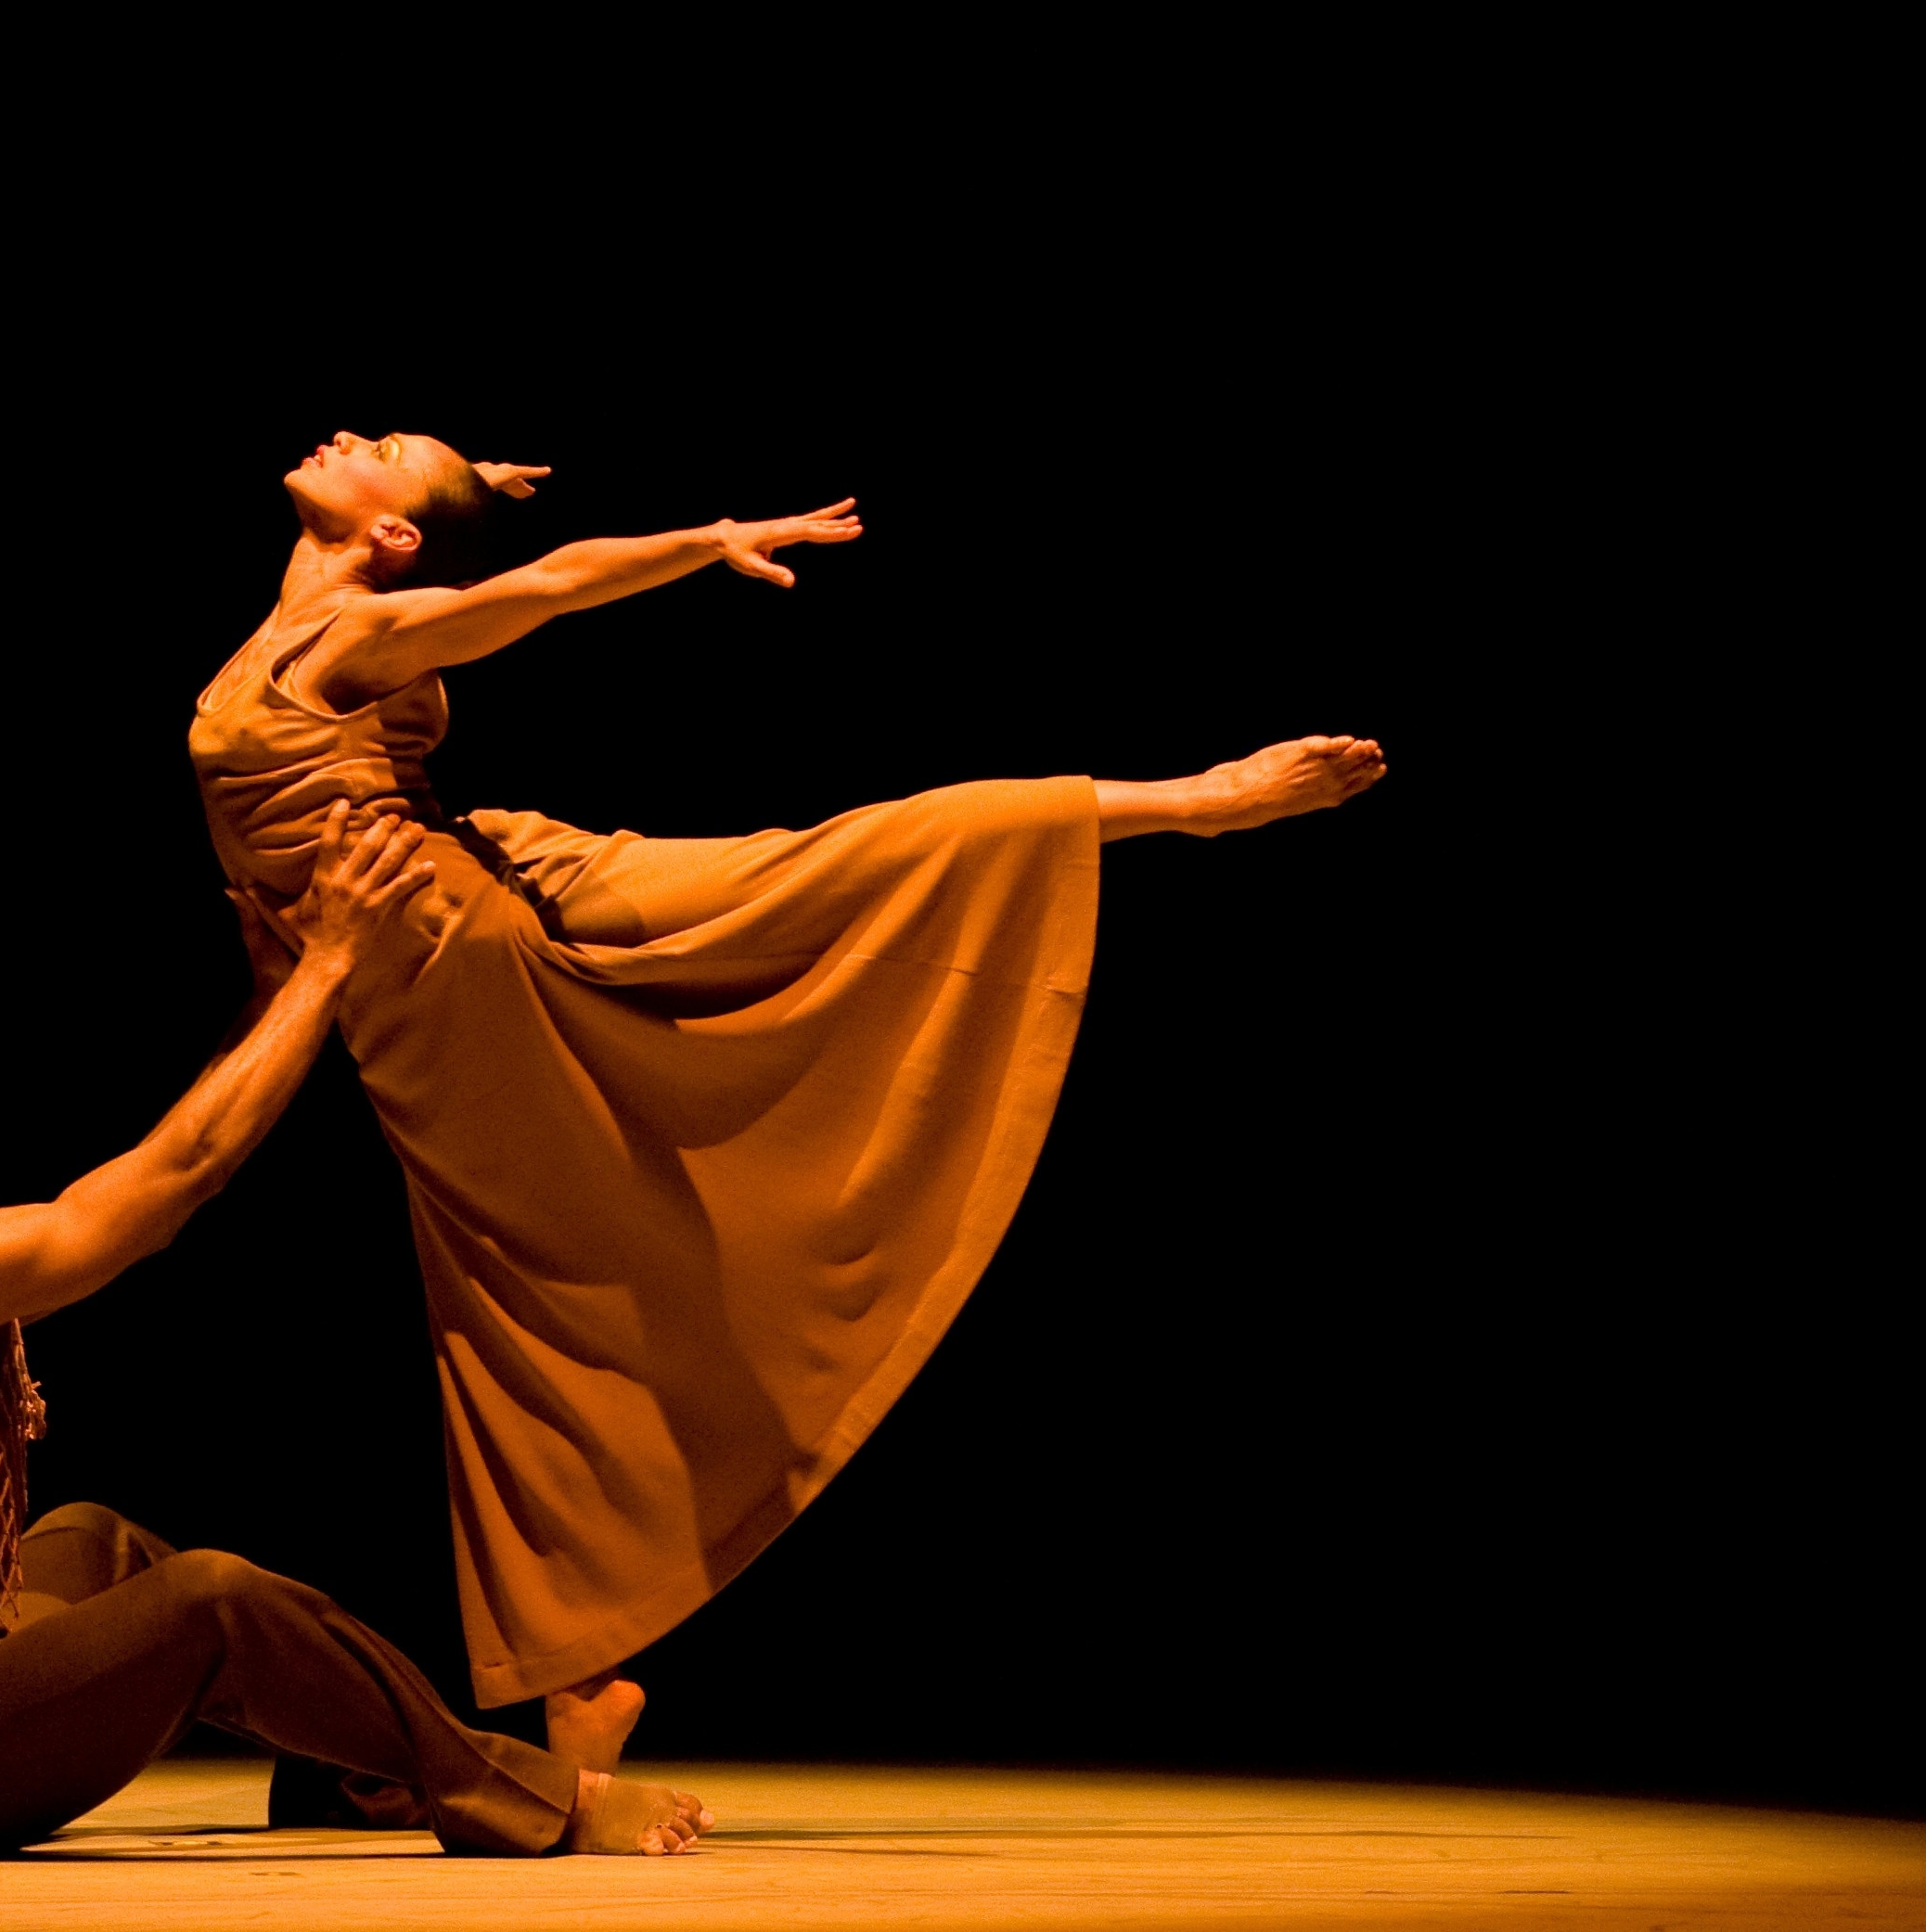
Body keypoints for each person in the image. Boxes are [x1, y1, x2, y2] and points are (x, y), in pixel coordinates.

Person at [189, 429, 1389, 1769]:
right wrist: (470, 491)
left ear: (393, 535)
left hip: (448, 943)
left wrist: (693, 540)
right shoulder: (320, 620)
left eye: (385, 446)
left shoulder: (361, 628)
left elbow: (532, 593)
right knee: (532, 1289)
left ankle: (1190, 801)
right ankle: (577, 1667)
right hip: (467, 887)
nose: (349, 433)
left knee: (538, 1284)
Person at [0, 802, 713, 1858]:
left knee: (95, 1540)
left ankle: (353, 1778)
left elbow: (157, 1169)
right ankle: (531, 1794)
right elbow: (176, 1180)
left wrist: (271, 996)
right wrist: (330, 963)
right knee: (209, 1598)